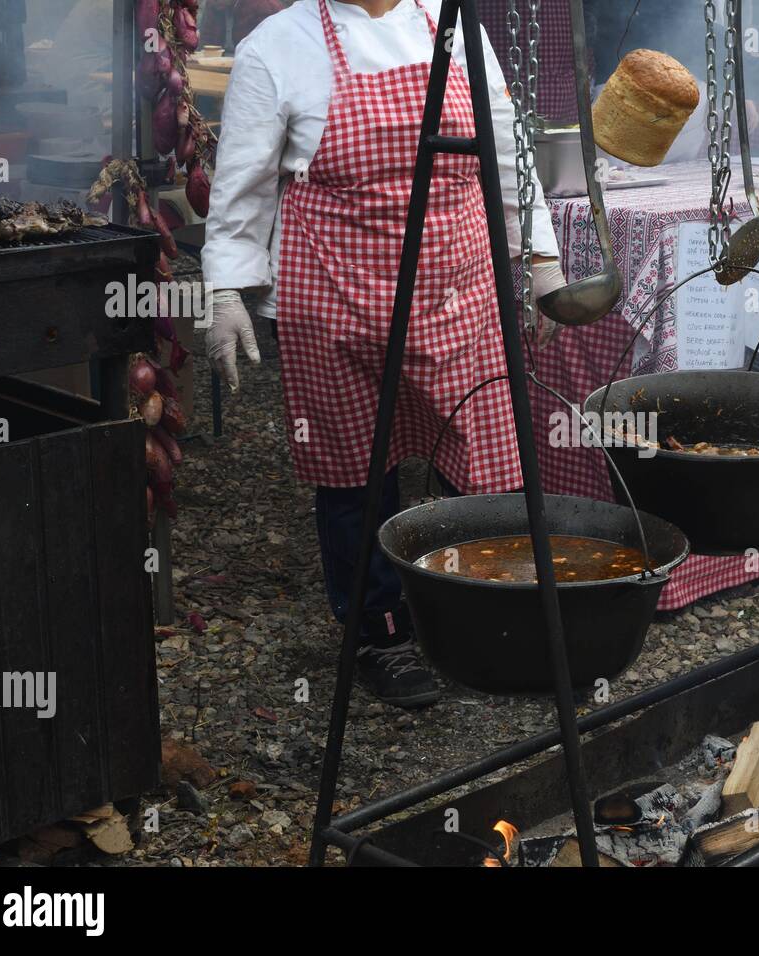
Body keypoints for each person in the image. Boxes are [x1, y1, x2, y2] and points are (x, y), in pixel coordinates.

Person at [202, 0, 566, 706]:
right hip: (336, 295)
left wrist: (541, 257)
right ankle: (380, 633)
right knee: (355, 476)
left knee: (485, 461)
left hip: (460, 283)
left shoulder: (453, 24)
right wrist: (224, 290)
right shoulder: (277, 45)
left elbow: (506, 148)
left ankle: (481, 614)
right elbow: (240, 185)